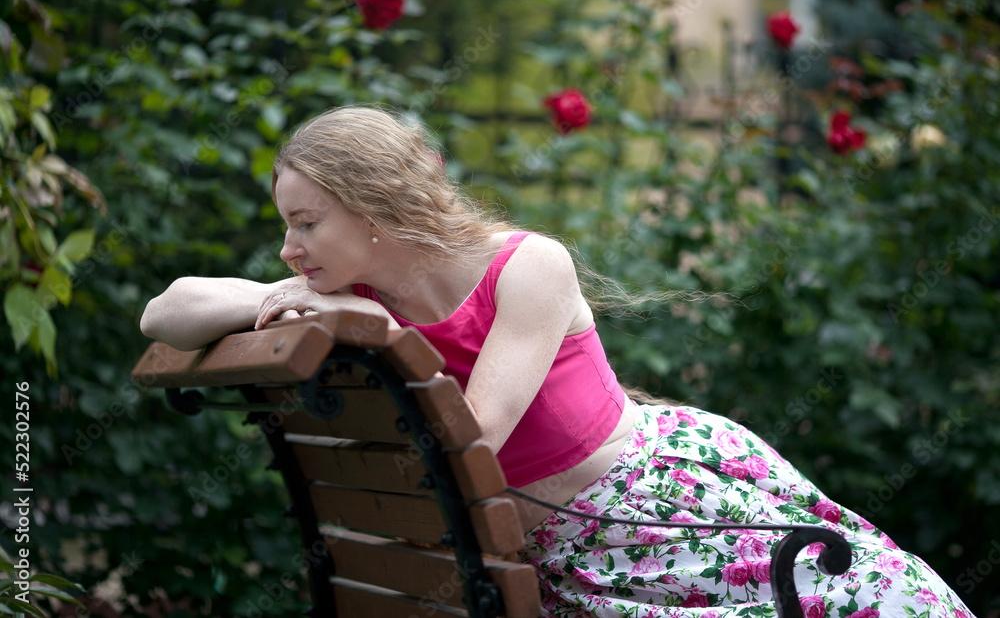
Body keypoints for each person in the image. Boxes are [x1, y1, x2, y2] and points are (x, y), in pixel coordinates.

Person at [140, 106, 976, 618]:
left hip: (660, 509)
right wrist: (280, 301)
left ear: (374, 210)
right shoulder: (353, 297)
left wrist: (354, 314)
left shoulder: (526, 266)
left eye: (307, 222)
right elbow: (164, 309)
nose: (289, 247)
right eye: (287, 224)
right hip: (579, 554)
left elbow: (481, 431)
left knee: (878, 593)